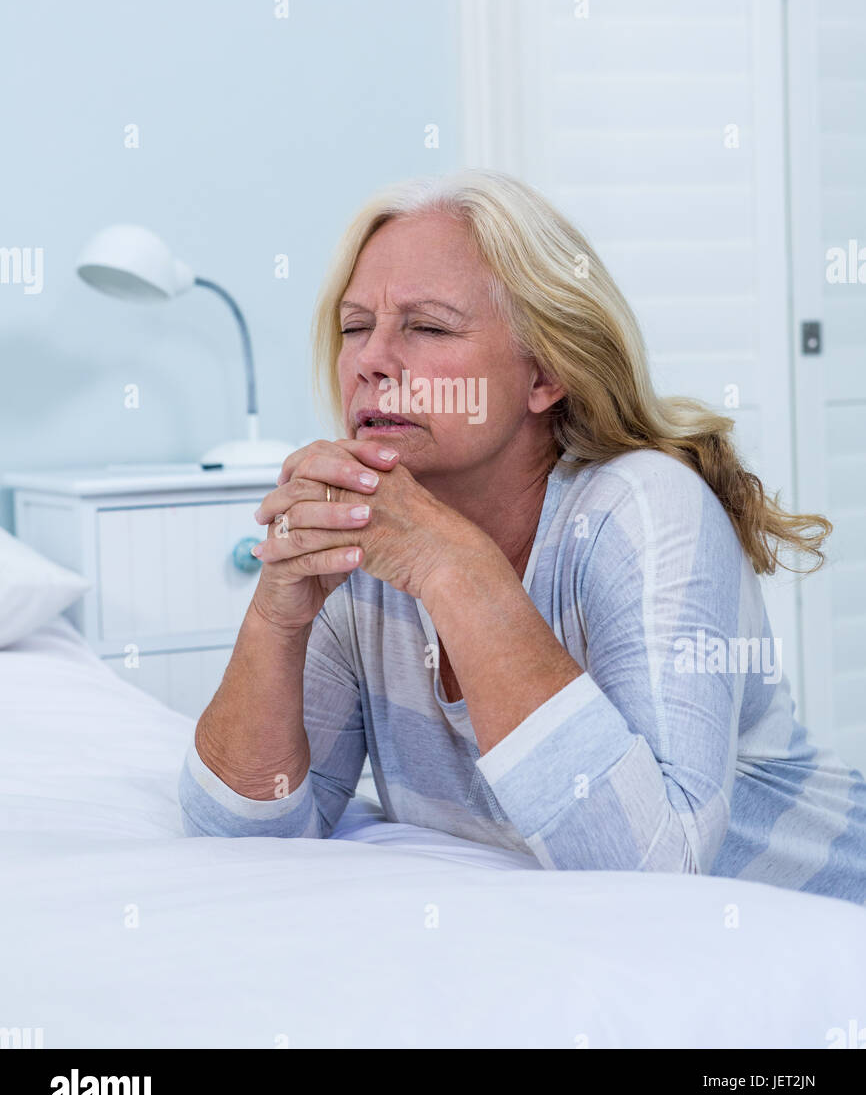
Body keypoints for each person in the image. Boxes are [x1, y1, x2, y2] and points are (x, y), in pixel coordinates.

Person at [178, 169, 866, 906]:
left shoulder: (642, 508)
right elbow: (242, 841)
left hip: (824, 926)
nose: (371, 361)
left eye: (428, 326)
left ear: (545, 374)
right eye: (354, 328)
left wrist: (454, 568)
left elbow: (661, 877)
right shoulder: (369, 538)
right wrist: (277, 615)